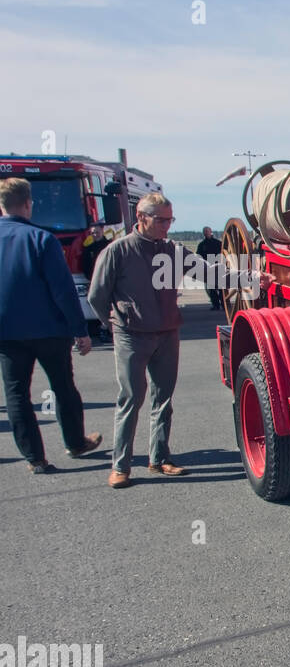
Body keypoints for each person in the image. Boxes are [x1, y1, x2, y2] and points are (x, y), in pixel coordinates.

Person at [0, 178, 102, 473]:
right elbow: (63, 291)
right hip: (48, 329)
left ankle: (36, 458)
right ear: (29, 204)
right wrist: (80, 331)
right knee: (63, 387)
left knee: (16, 394)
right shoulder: (41, 239)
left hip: (7, 333)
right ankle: (75, 442)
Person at [87, 193, 189, 488]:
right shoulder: (117, 251)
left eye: (170, 219)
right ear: (141, 217)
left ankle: (159, 459)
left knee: (163, 399)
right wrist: (115, 323)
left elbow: (208, 272)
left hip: (167, 333)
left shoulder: (173, 251)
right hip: (132, 336)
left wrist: (248, 278)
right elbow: (97, 295)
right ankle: (121, 466)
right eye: (161, 220)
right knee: (131, 399)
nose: (166, 226)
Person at [196, 226, 224, 311]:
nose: (206, 233)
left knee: (221, 288)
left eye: (207, 231)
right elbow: (198, 256)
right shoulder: (202, 245)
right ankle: (216, 305)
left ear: (210, 232)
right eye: (205, 232)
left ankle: (224, 304)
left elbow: (224, 253)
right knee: (211, 289)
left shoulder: (218, 243)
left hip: (218, 267)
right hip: (208, 268)